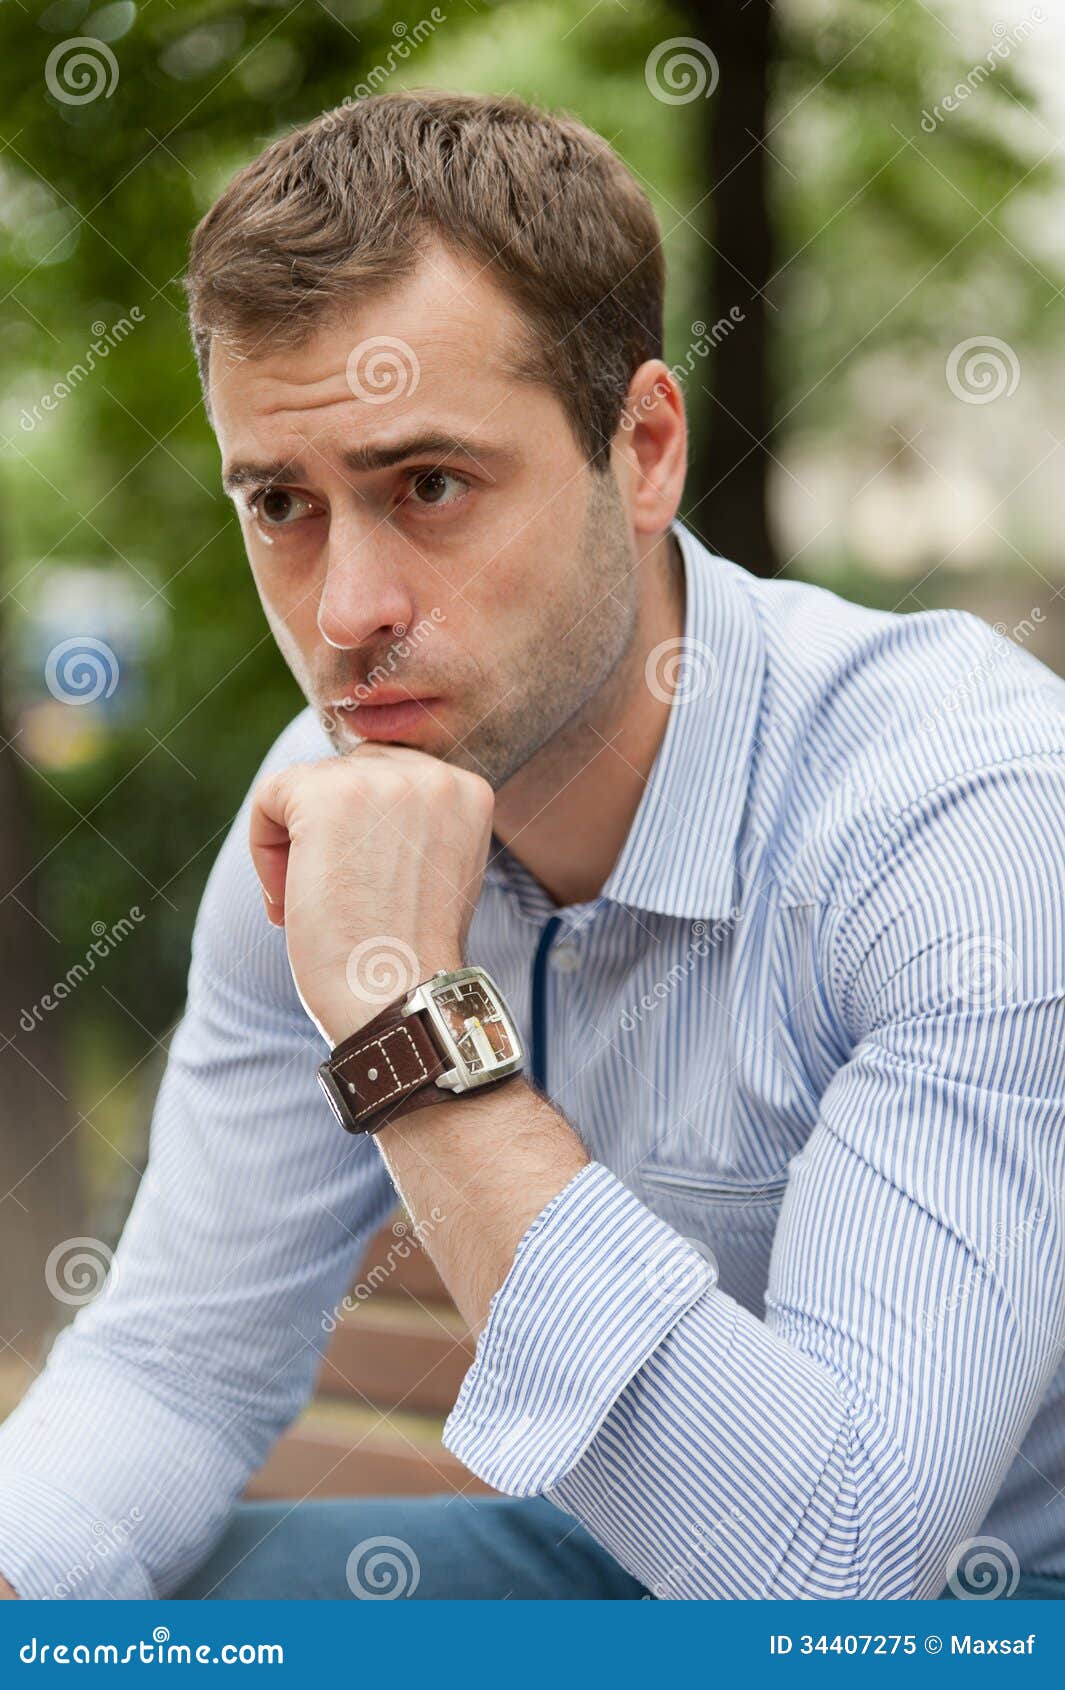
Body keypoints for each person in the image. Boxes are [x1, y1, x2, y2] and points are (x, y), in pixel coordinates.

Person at [2, 89, 1064, 1603]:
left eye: (426, 484)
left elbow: (838, 1581)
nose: (346, 609)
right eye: (283, 504)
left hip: (975, 1611)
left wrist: (403, 1021)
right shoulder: (327, 800)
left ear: (639, 446)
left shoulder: (967, 817)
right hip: (616, 1569)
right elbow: (175, 1365)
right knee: (136, 1599)